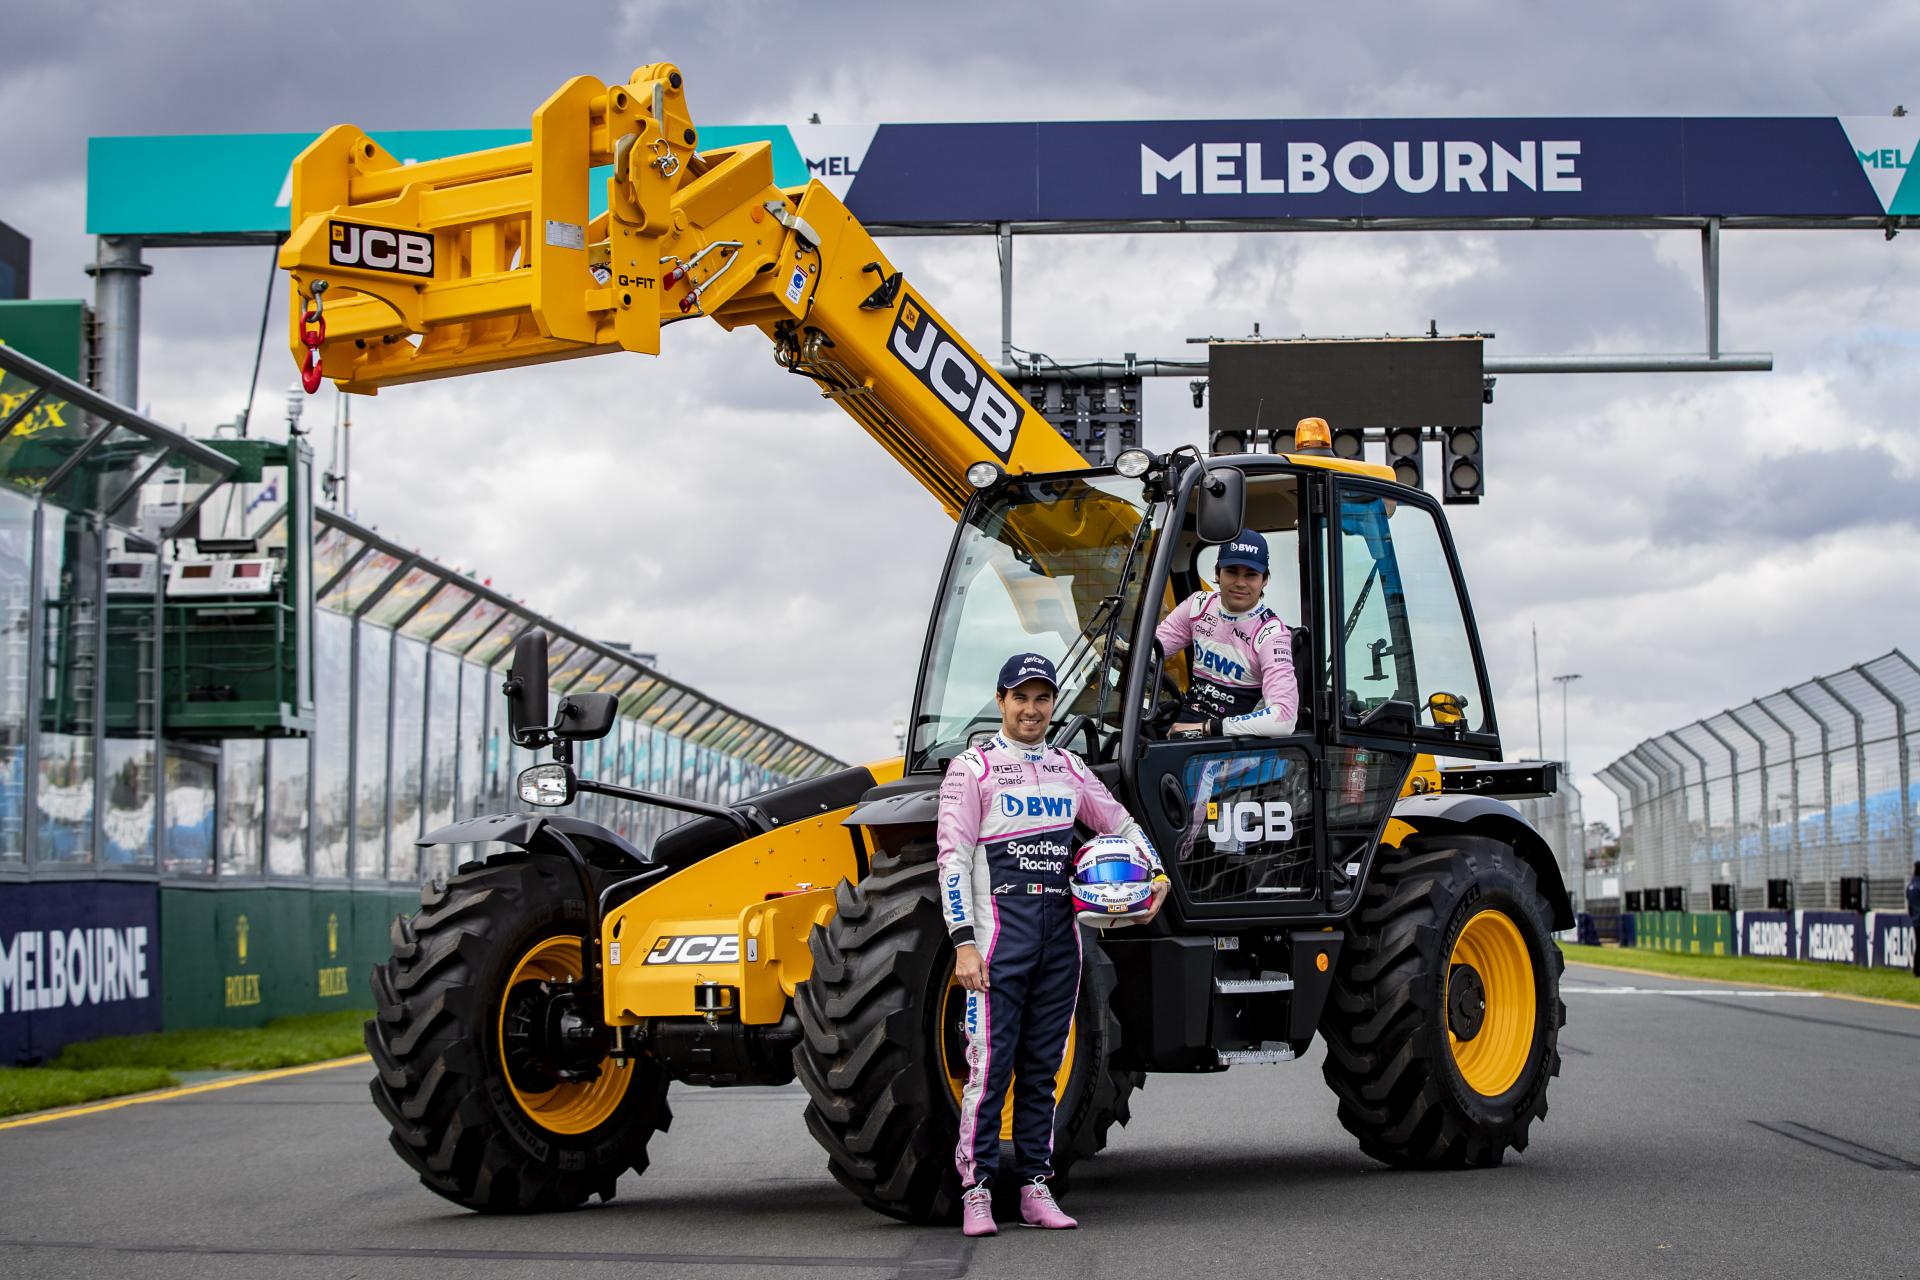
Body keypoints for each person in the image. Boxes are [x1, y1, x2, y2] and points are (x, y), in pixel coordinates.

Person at [936, 652, 1168, 1237]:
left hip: (1062, 941)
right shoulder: (973, 769)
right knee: (989, 1069)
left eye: (1042, 698)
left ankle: (1037, 1185)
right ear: (1001, 701)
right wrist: (963, 942)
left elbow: (1120, 823)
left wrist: (1156, 875)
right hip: (996, 942)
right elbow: (953, 860)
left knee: (1043, 1070)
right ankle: (978, 1191)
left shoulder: (1069, 767)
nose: (1032, 709)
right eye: (1021, 698)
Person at [1154, 528, 1297, 738]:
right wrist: (1121, 651)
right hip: (1184, 721)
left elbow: (1284, 719)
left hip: (1228, 743)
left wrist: (1208, 728)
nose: (1240, 583)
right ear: (1217, 573)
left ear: (1264, 580)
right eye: (1232, 572)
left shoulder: (1271, 635)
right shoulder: (1198, 606)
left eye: (1251, 575)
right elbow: (1150, 652)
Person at [1907, 861, 1920, 977]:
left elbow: (1910, 905)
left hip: (1915, 920)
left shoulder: (1910, 885)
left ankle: (1916, 970)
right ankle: (1916, 970)